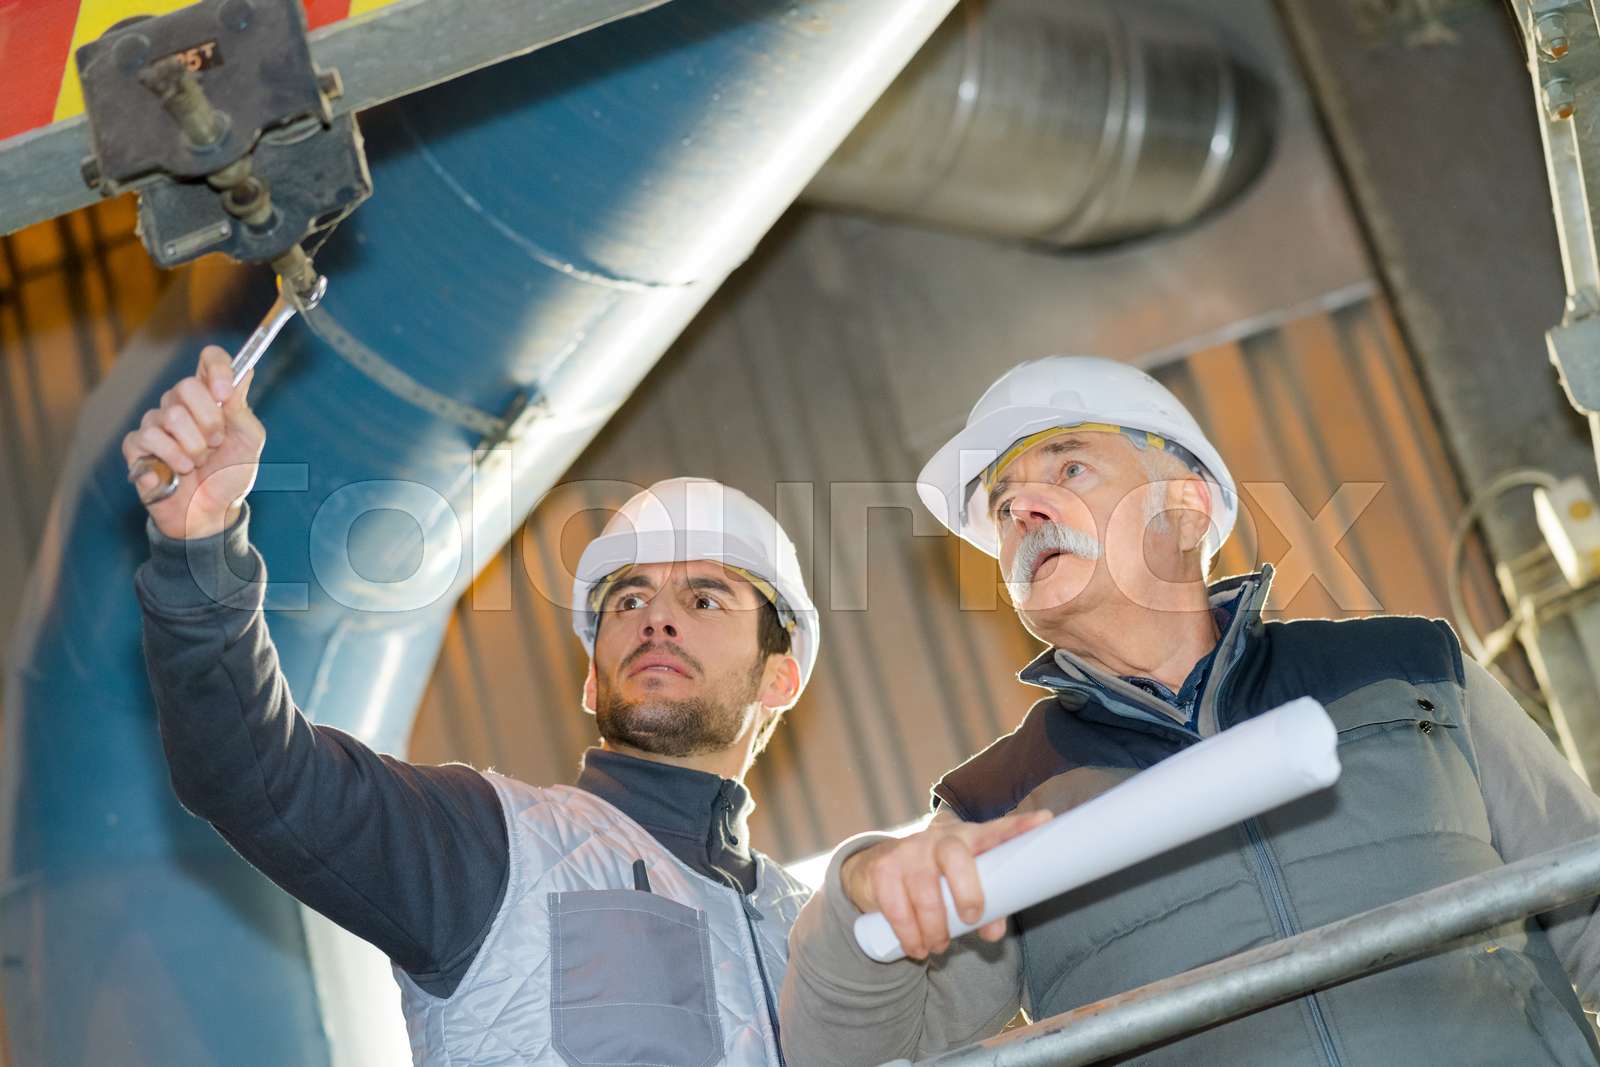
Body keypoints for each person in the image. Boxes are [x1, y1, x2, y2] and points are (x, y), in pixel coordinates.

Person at [781, 355, 1600, 1066]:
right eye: (1003, 508)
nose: (1022, 514)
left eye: (1067, 470)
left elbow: (1590, 910)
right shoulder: (990, 806)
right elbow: (864, 1060)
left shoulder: (1414, 666)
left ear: (1188, 504)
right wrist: (861, 890)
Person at [125, 345, 818, 1066]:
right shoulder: (492, 843)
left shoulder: (823, 930)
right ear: (592, 681)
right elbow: (253, 768)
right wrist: (199, 545)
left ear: (779, 679)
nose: (655, 620)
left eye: (704, 597)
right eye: (630, 598)